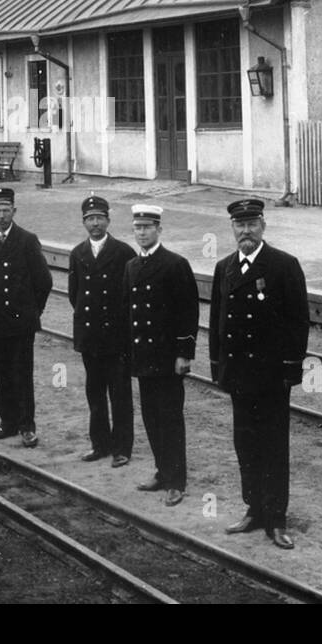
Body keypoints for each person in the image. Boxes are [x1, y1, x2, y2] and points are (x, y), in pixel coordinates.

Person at [208, 198, 309, 549]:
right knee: (245, 443)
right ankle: (254, 509)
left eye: (252, 224)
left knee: (273, 446)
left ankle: (276, 518)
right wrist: (218, 367)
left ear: (263, 226)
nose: (246, 231)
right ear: (232, 229)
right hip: (239, 375)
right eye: (240, 225)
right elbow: (217, 321)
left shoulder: (283, 265)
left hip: (270, 376)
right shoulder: (225, 268)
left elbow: (298, 322)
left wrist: (291, 368)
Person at [123, 203, 198, 506]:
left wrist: (184, 353)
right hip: (143, 357)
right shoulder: (130, 267)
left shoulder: (175, 264)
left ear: (159, 230)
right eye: (138, 228)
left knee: (170, 418)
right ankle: (161, 471)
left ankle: (176, 480)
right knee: (151, 417)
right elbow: (127, 312)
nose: (142, 232)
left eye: (147, 227)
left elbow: (188, 312)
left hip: (167, 358)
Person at [0, 186, 53, 448]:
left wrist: (32, 311)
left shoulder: (27, 240)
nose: (2, 215)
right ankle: (7, 423)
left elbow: (44, 281)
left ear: (14, 211)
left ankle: (27, 426)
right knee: (2, 372)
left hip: (21, 321)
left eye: (7, 210)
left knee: (22, 373)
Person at [67, 195, 136, 468]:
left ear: (108, 220)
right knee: (94, 392)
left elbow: (130, 296)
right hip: (90, 336)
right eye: (90, 219)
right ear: (84, 222)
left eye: (100, 218)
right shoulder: (78, 253)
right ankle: (100, 444)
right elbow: (75, 294)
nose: (95, 223)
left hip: (116, 337)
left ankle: (122, 447)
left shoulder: (123, 252)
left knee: (120, 394)